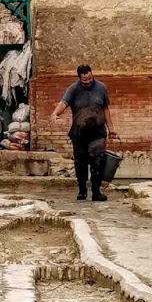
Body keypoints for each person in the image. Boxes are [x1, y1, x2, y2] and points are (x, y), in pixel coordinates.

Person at [52, 64, 115, 202]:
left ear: (92, 75)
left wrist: (111, 129)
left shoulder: (101, 88)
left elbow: (106, 109)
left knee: (97, 161)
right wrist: (56, 113)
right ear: (79, 78)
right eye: (85, 80)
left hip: (97, 132)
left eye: (90, 78)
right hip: (79, 132)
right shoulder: (73, 89)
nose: (88, 82)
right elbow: (63, 102)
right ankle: (82, 190)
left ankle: (96, 192)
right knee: (80, 162)